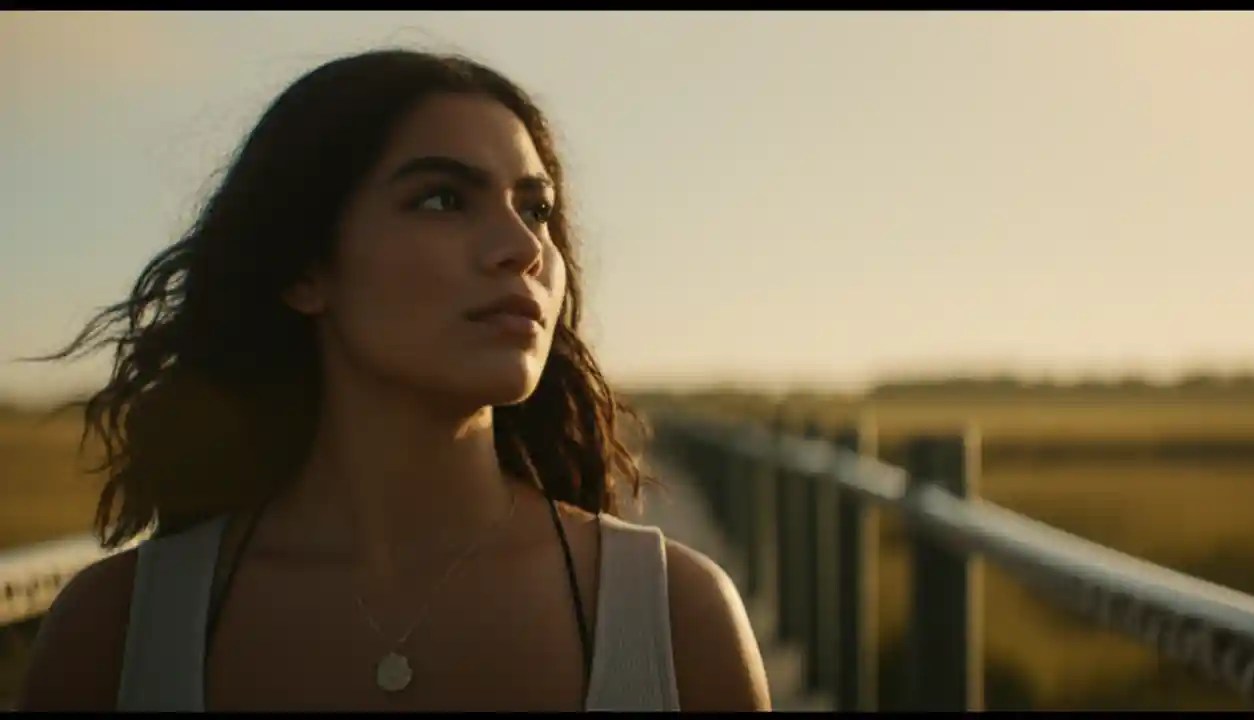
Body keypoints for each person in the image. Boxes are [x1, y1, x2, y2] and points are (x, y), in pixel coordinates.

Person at [16, 48, 770, 712]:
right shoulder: (116, 632)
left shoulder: (676, 619)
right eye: (442, 199)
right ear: (305, 269)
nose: (522, 247)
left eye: (535, 209)